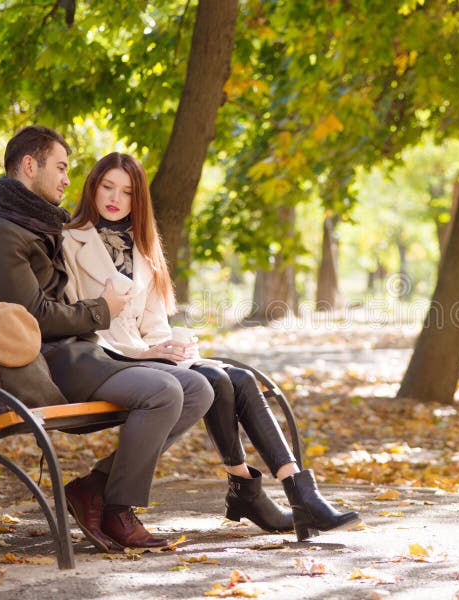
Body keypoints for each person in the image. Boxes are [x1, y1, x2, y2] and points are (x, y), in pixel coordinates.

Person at [62, 152, 360, 541]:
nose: (116, 198)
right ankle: (251, 491)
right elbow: (76, 319)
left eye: (128, 192)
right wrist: (146, 353)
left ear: (139, 201)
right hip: (104, 358)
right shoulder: (69, 240)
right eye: (108, 187)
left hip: (142, 353)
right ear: (93, 186)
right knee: (217, 380)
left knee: (235, 377)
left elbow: (152, 326)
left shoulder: (144, 248)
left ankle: (299, 491)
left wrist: (169, 347)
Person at [0, 126, 215, 552]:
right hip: (48, 362)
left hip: (80, 353)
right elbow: (35, 319)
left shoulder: (34, 224)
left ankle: (94, 488)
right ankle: (118, 509)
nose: (67, 178)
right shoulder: (0, 233)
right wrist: (101, 308)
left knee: (197, 388)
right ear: (30, 165)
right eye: (60, 167)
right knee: (163, 392)